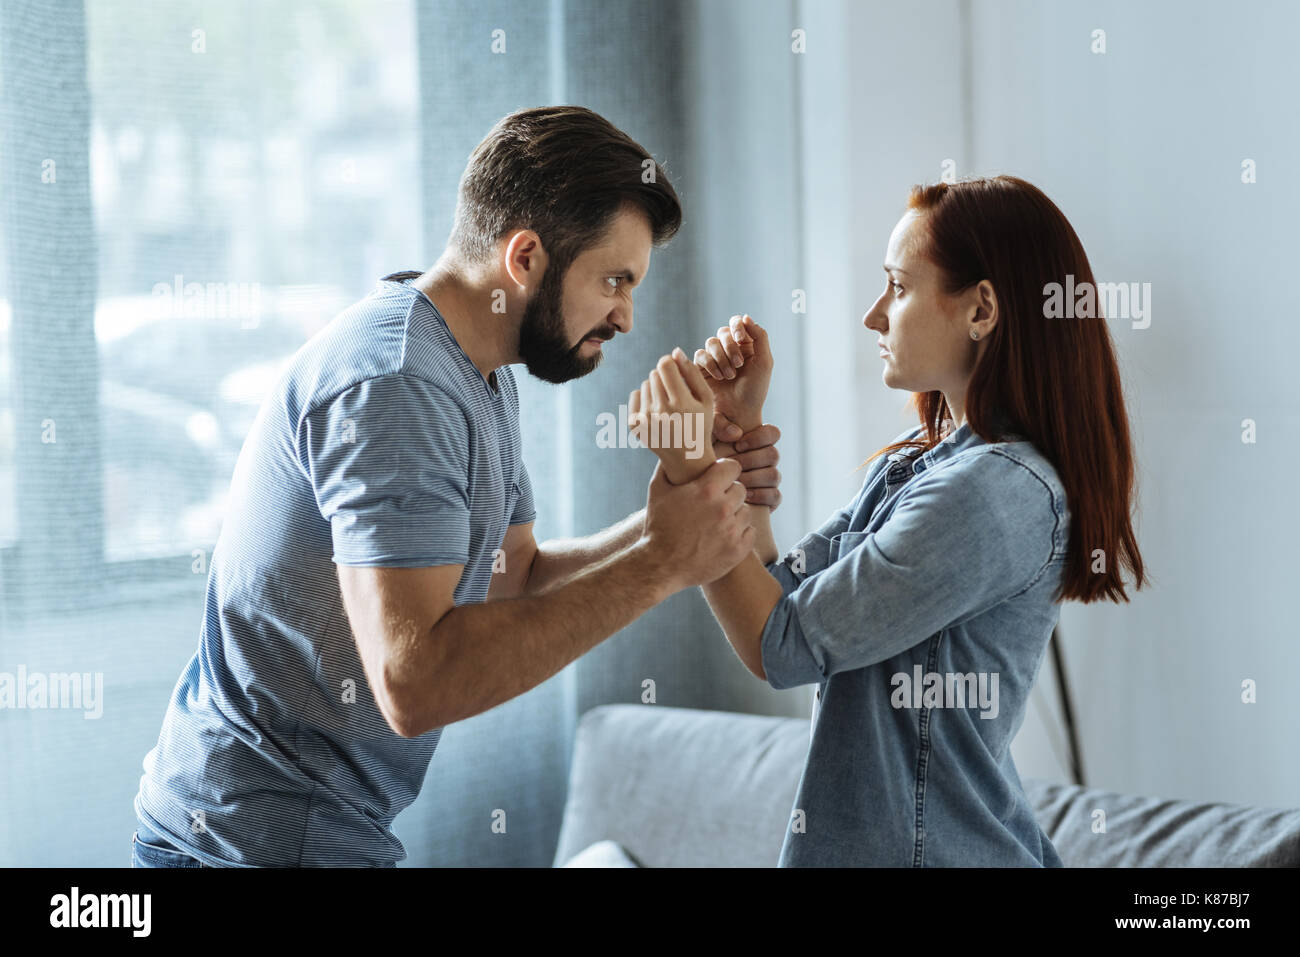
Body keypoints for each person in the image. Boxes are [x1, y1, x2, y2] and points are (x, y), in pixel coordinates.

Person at [131, 105, 782, 867]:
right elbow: (415, 680)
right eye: (614, 280)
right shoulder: (400, 383)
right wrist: (664, 559)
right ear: (527, 256)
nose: (627, 317)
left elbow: (514, 580)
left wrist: (675, 518)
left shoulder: (477, 374)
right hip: (246, 847)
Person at [631, 175, 1147, 866]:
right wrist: (737, 433)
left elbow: (777, 645)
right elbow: (779, 599)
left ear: (981, 308)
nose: (875, 315)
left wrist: (697, 470)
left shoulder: (993, 495)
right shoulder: (920, 467)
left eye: (898, 287)